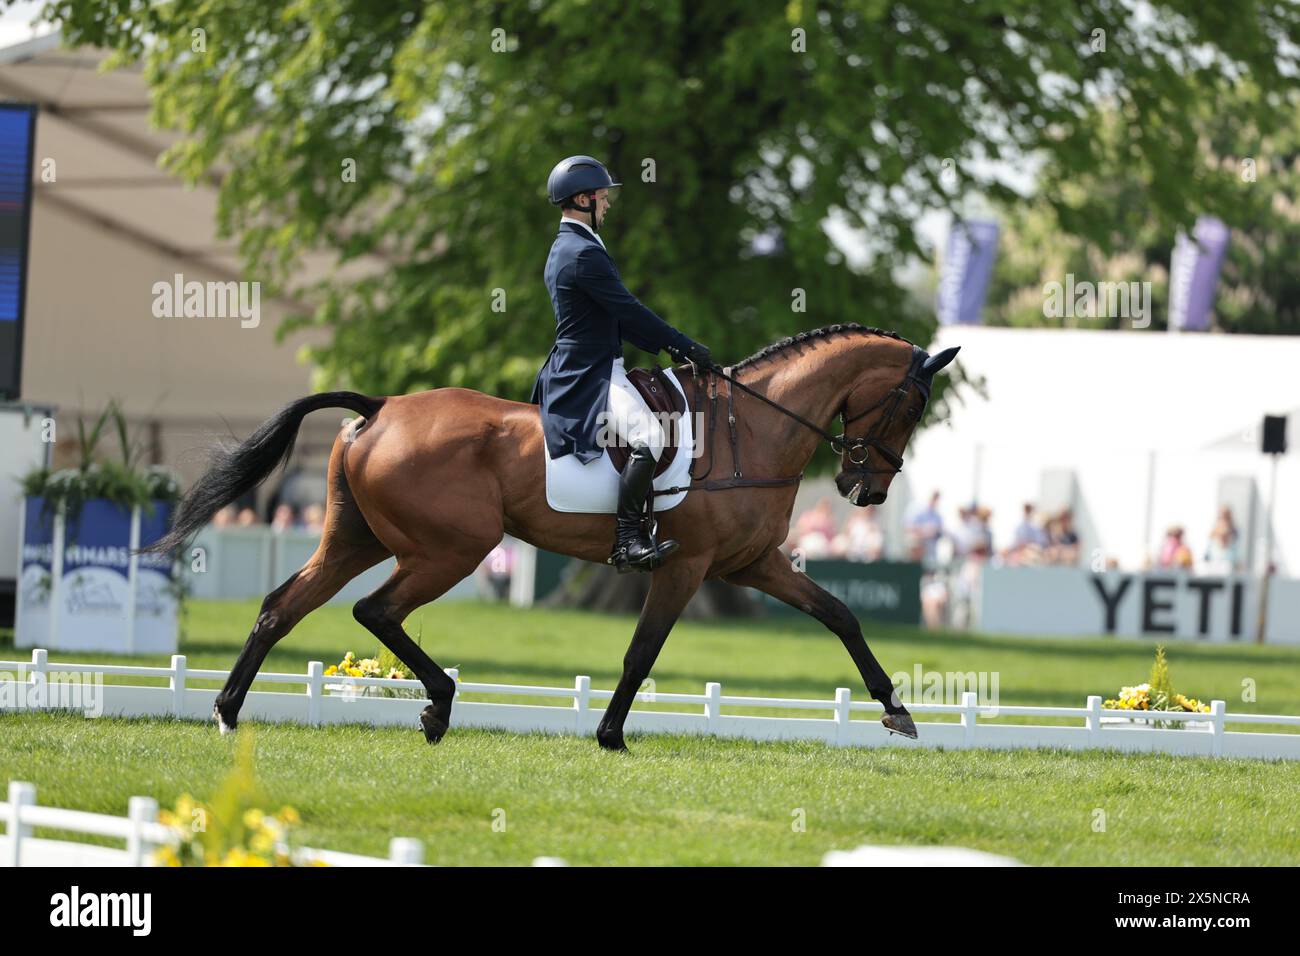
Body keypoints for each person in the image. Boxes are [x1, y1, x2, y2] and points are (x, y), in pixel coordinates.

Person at [531, 156, 712, 573]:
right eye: (603, 196)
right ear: (582, 199)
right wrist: (684, 344)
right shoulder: (581, 253)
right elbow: (628, 310)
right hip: (588, 374)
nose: (609, 203)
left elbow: (615, 317)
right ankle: (628, 540)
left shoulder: (576, 245)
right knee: (650, 437)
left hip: (593, 364)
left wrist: (676, 351)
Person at [1204, 506, 1239, 574]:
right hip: (1213, 569)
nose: (1224, 519)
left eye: (1226, 516)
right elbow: (1207, 555)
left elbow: (1236, 557)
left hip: (1229, 571)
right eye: (1222, 516)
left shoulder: (1235, 534)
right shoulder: (1213, 534)